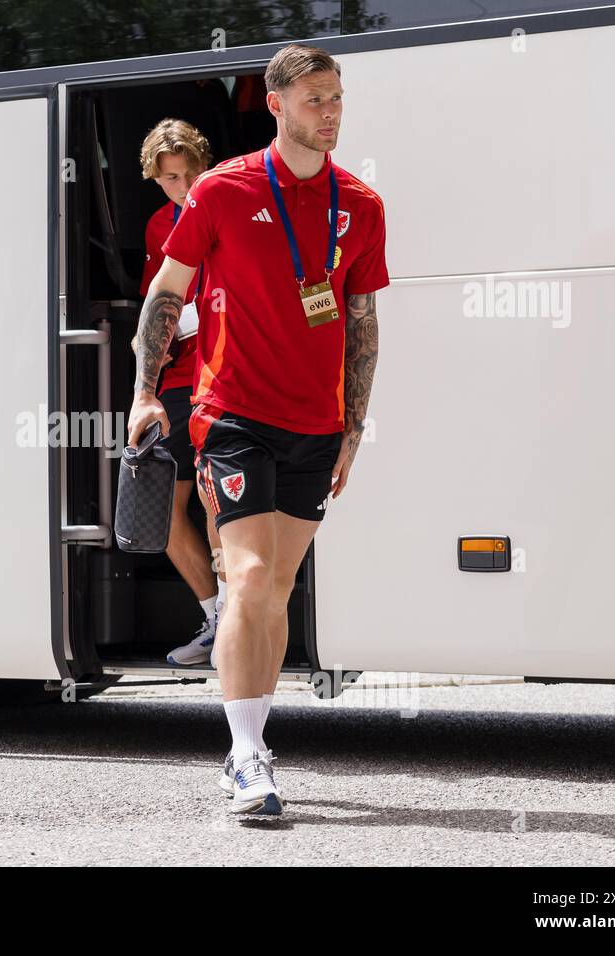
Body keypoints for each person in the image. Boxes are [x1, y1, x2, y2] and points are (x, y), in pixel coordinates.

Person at [127, 44, 389, 815]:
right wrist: (146, 391)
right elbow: (166, 296)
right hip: (233, 416)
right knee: (244, 577)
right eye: (315, 99)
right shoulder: (220, 190)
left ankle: (253, 739)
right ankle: (246, 758)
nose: (331, 111)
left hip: (315, 422)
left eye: (337, 97)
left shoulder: (362, 204)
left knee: (276, 587)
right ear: (275, 105)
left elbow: (363, 323)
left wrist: (353, 427)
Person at [135, 118, 225, 666]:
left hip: (219, 376)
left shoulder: (227, 206)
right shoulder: (156, 225)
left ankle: (237, 615)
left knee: (222, 500)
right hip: (172, 382)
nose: (184, 185)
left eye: (192, 172)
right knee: (162, 512)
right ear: (156, 177)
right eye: (171, 177)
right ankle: (216, 617)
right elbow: (157, 299)